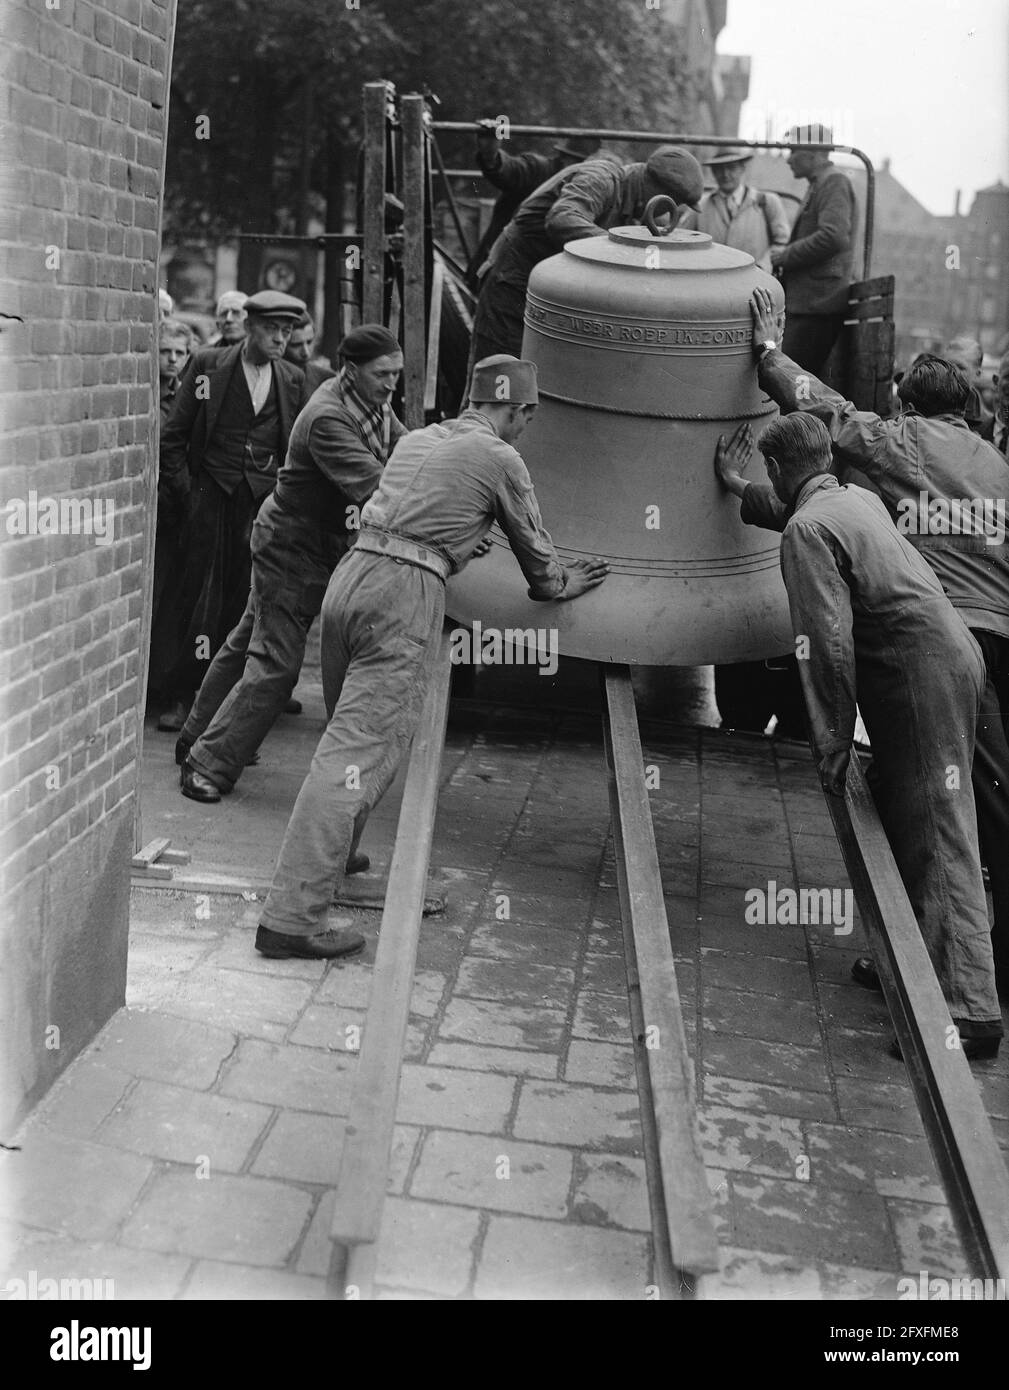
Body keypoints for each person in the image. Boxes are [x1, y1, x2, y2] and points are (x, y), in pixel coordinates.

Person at [254, 355, 610, 960]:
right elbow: (543, 577)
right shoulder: (501, 457)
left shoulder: (418, 437)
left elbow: (414, 520)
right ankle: (291, 918)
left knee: (345, 741)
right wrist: (568, 580)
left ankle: (332, 857)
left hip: (353, 576)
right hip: (404, 593)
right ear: (518, 410)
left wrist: (460, 544)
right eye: (526, 418)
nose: (523, 429)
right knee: (358, 754)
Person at [738, 285, 1009, 997]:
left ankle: (970, 978)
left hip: (953, 642)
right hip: (998, 641)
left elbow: (819, 406)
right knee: (980, 801)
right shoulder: (993, 462)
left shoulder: (905, 442)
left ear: (910, 406)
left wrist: (767, 351)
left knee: (945, 811)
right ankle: (929, 952)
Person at [715, 410, 1002, 1059]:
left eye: (767, 472)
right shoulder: (853, 498)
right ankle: (909, 948)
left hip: (917, 672)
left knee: (935, 824)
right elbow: (797, 509)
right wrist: (736, 487)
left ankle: (969, 1008)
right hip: (950, 656)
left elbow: (823, 643)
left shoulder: (809, 529)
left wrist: (832, 740)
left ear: (782, 468)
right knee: (905, 812)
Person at [177, 325, 406, 804]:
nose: (391, 385)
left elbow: (407, 451)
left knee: (245, 643)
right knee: (277, 666)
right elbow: (380, 486)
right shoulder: (330, 418)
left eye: (396, 374)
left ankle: (192, 737)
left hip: (308, 545)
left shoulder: (371, 407)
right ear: (352, 370)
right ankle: (208, 765)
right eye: (382, 374)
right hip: (289, 549)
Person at [152, 291, 307, 733]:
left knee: (246, 602)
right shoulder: (207, 365)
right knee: (197, 598)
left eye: (287, 331)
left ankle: (225, 703)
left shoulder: (292, 379)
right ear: (251, 328)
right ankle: (182, 695)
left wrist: (280, 505)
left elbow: (293, 449)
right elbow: (174, 439)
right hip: (209, 499)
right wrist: (191, 494)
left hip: (259, 506)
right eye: (273, 329)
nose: (281, 338)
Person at [470, 147, 705, 365]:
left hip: (543, 290)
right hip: (511, 282)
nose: (669, 212)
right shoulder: (600, 179)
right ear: (659, 192)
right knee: (499, 375)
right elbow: (563, 219)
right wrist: (622, 246)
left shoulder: (633, 204)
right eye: (675, 203)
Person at [467, 124, 604, 291]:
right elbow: (508, 169)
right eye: (583, 166)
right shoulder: (538, 169)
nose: (590, 175)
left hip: (540, 277)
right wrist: (490, 154)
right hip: (502, 271)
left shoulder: (591, 192)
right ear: (564, 159)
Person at [770, 124, 855, 375]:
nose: (788, 159)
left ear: (814, 154)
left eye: (794, 151)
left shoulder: (833, 182)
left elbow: (834, 236)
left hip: (818, 302)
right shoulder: (820, 184)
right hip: (812, 302)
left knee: (791, 377)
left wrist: (784, 256)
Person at [680, 146, 789, 272]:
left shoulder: (766, 201)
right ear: (713, 173)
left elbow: (782, 242)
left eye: (731, 168)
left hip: (756, 282)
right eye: (719, 169)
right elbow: (682, 238)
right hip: (711, 278)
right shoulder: (701, 205)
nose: (725, 174)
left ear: (742, 169)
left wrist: (762, 267)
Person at [944, 336, 994, 436]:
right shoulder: (924, 409)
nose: (951, 372)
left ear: (977, 374)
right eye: (947, 365)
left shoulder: (988, 426)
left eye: (960, 367)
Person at [285, 311, 336, 395]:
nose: (306, 352)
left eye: (309, 342)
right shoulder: (270, 379)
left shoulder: (326, 379)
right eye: (296, 345)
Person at [157, 317, 196, 423]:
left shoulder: (186, 397)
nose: (173, 359)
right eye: (165, 351)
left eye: (179, 353)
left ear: (187, 357)